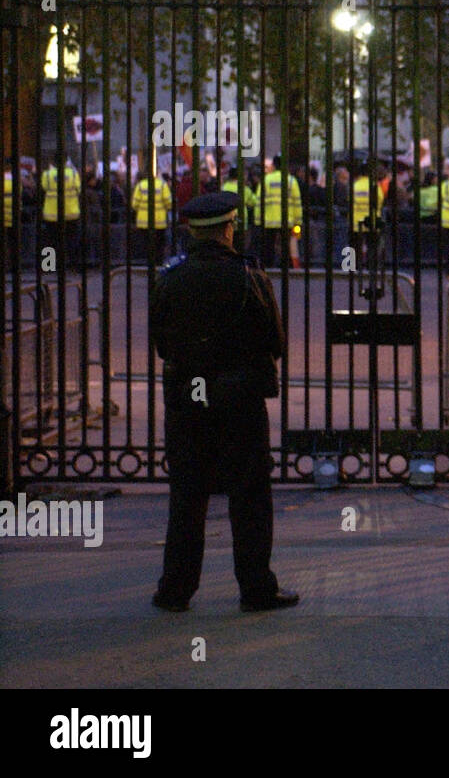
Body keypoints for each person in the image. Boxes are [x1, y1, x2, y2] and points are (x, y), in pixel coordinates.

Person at [148, 192, 297, 613]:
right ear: (229, 227)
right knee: (249, 494)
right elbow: (276, 341)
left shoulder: (170, 277)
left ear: (192, 231)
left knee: (187, 496)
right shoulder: (248, 275)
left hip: (188, 399)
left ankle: (175, 589)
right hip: (240, 398)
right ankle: (256, 587)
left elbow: (162, 343)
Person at [257, 155, 303, 268]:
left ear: (273, 165)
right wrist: (298, 222)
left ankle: (268, 267)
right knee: (285, 247)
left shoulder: (266, 180)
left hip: (268, 221)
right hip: (286, 221)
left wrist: (258, 221)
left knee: (268, 247)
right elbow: (297, 203)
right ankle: (285, 268)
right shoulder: (291, 180)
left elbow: (259, 201)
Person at [40, 158, 82, 269]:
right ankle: (74, 265)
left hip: (51, 214)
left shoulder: (47, 174)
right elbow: (78, 189)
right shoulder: (73, 173)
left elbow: (44, 187)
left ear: (52, 162)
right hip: (71, 213)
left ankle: (49, 266)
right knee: (72, 241)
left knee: (50, 241)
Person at [131, 170, 173, 263]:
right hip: (160, 222)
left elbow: (134, 204)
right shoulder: (162, 185)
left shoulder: (140, 185)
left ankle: (149, 264)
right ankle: (158, 264)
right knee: (159, 245)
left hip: (143, 222)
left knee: (147, 245)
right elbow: (169, 203)